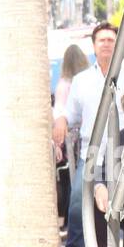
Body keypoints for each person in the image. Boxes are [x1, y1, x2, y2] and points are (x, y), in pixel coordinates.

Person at [55, 23, 124, 247]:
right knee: (78, 204)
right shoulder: (81, 80)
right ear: (94, 46)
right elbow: (70, 114)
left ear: (120, 43)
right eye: (102, 40)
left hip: (123, 153)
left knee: (119, 205)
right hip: (92, 153)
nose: (106, 44)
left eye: (111, 40)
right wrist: (61, 120)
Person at [51, 43, 89, 228]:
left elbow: (58, 112)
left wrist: (57, 144)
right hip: (85, 136)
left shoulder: (63, 84)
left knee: (69, 181)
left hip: (70, 139)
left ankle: (65, 222)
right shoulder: (87, 81)